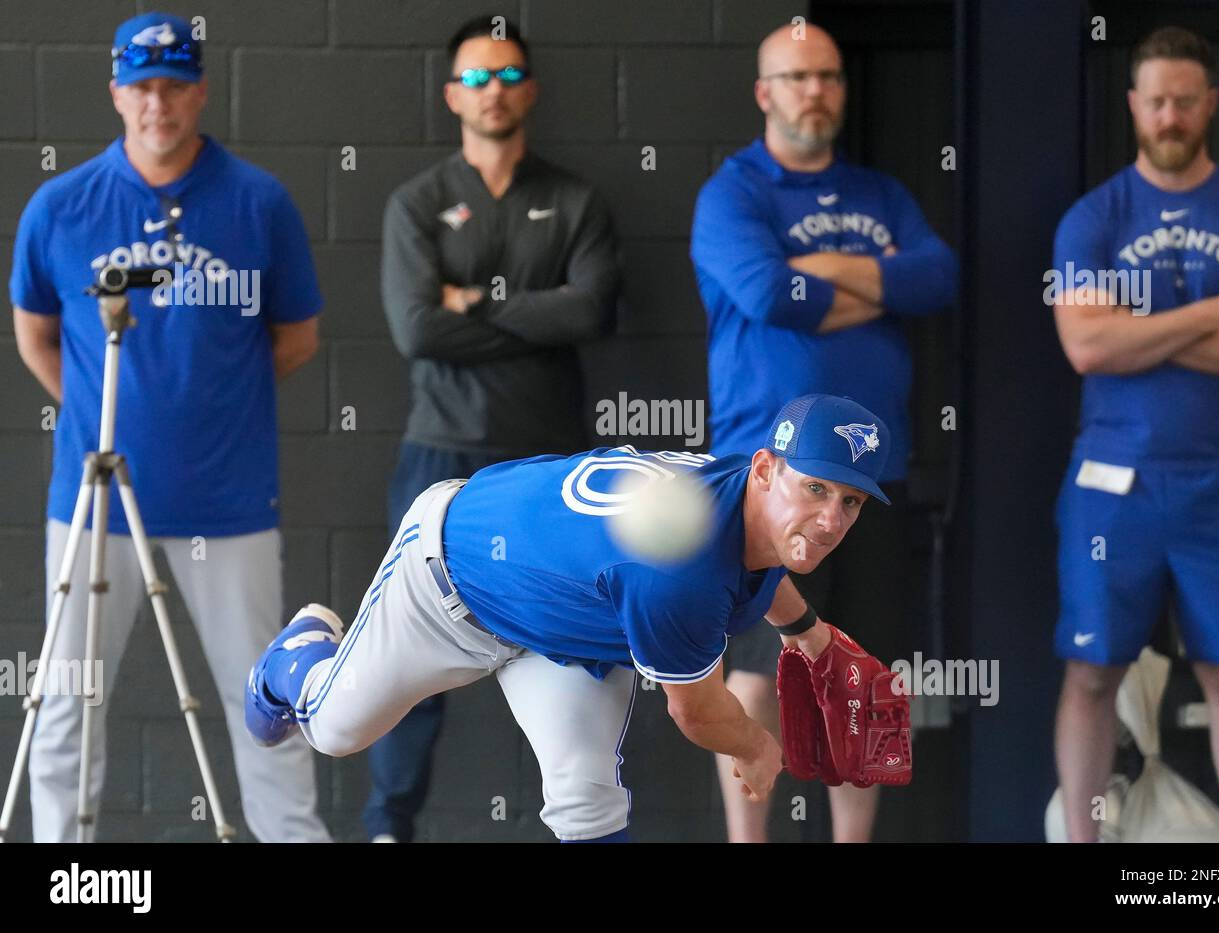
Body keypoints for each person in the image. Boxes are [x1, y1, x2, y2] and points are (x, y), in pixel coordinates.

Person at [246, 395, 893, 842]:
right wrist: (757, 747)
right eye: (815, 488)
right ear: (766, 469)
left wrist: (810, 635)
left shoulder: (743, 497)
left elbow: (773, 557)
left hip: (561, 635)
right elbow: (695, 710)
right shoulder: (681, 571)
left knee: (588, 798)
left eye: (851, 501)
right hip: (451, 577)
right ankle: (299, 658)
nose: (832, 520)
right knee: (332, 729)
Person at [9, 12, 329, 842]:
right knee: (66, 708)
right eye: (143, 87)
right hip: (93, 504)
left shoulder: (258, 202)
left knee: (267, 702)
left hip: (228, 501)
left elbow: (296, 338)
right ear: (116, 92)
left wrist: (208, 403)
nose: (159, 104)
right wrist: (106, 408)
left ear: (202, 92)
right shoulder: (61, 205)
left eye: (175, 85)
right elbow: (35, 332)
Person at [689, 22, 956, 842]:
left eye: (830, 77)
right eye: (798, 77)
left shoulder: (880, 193)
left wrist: (825, 275)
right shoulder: (733, 193)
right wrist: (878, 283)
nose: (817, 91)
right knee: (757, 666)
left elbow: (937, 277)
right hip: (766, 474)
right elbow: (771, 296)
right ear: (765, 92)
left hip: (873, 472)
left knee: (862, 667)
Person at [371, 15, 619, 842]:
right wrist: (530, 315)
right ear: (452, 95)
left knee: (574, 661)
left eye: (509, 76)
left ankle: (584, 827)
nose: (494, 92)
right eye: (478, 78)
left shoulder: (575, 199)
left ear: (531, 91)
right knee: (406, 664)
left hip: (550, 468)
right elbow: (415, 330)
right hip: (439, 460)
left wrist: (470, 301)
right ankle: (386, 827)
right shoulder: (418, 203)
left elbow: (589, 309)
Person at [1051, 26, 1219, 843]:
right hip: (1112, 482)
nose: (1170, 115)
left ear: (1211, 105)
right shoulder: (1093, 220)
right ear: (1134, 105)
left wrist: (1141, 328)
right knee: (1091, 672)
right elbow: (1086, 345)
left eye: (1185, 100)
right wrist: (1210, 313)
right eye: (1156, 100)